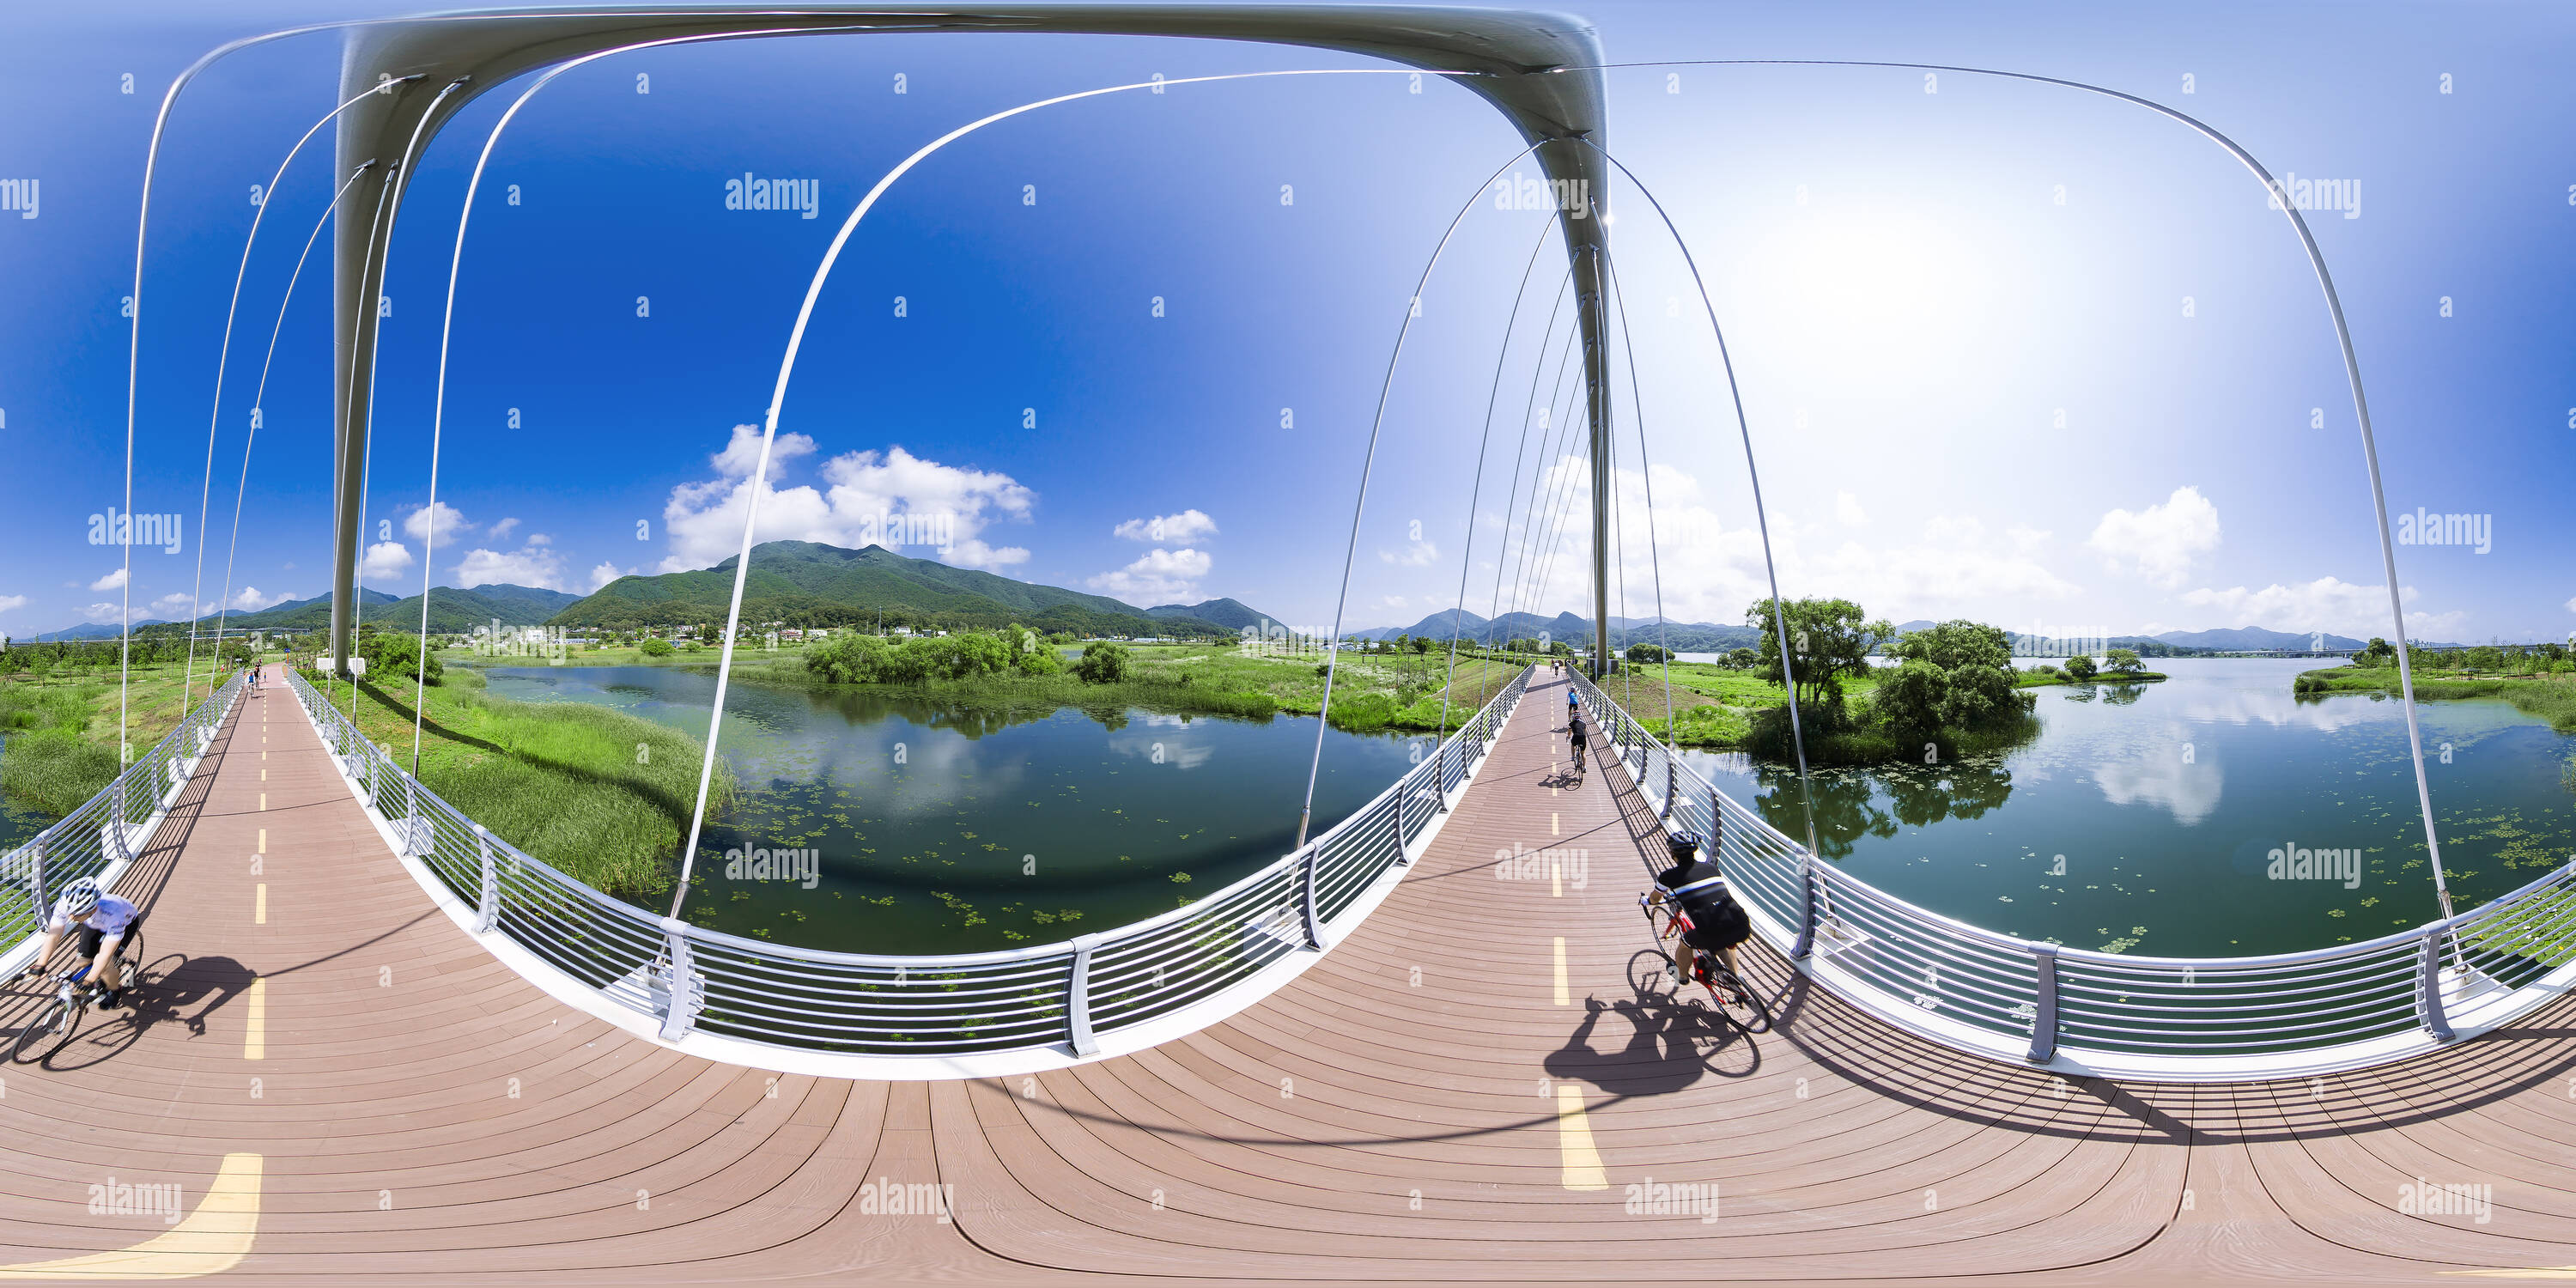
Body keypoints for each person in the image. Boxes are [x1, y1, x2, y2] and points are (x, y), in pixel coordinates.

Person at [18, 877, 143, 1010]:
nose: (71, 918)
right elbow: (53, 936)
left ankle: (114, 990)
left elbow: (105, 954)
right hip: (94, 923)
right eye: (70, 913)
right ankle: (104, 972)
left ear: (93, 909)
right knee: (83, 961)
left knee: (106, 965)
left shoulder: (114, 914)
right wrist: (40, 965)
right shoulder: (65, 905)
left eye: (76, 915)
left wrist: (89, 981)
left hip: (125, 924)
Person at [1655, 830, 1751, 1001]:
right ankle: (1736, 978)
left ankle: (1682, 977)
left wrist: (1646, 900)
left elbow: (1655, 899)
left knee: (1685, 943)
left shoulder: (1668, 876)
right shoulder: (1711, 867)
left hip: (1711, 929)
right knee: (1724, 942)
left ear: (1672, 853)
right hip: (1741, 924)